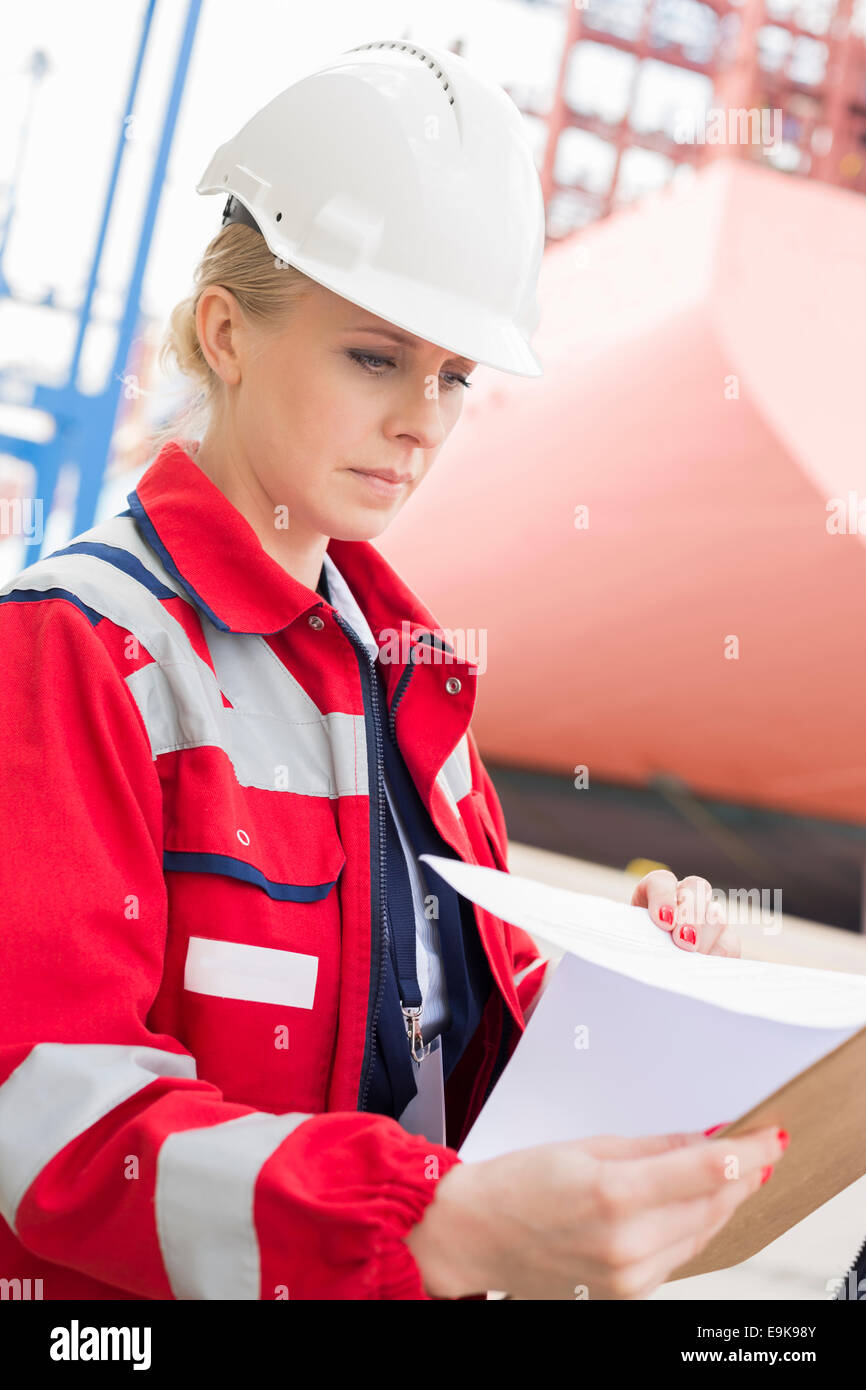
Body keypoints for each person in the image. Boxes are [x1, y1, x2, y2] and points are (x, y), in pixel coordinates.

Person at [0, 38, 786, 1302]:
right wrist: (430, 1225)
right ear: (227, 334)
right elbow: (51, 1122)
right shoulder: (75, 647)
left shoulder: (408, 682)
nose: (423, 416)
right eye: (375, 356)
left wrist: (624, 1006)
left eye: (454, 375)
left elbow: (450, 1056)